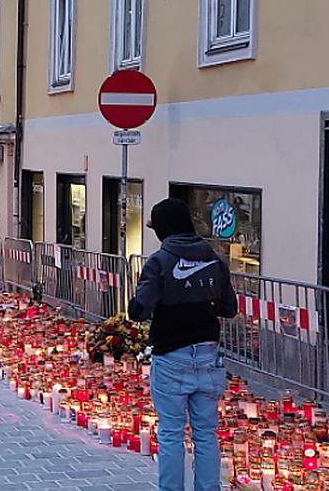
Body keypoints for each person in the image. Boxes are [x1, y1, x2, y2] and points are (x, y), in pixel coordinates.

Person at [128, 197, 237, 491]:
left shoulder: (159, 262)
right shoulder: (214, 259)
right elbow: (230, 308)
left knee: (171, 434)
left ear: (163, 229)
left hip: (171, 355)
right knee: (206, 433)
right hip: (208, 356)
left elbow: (139, 310)